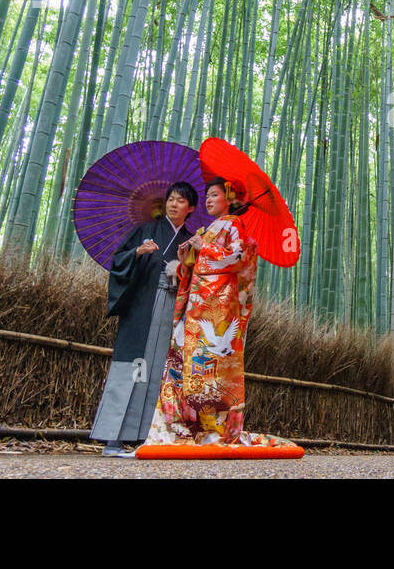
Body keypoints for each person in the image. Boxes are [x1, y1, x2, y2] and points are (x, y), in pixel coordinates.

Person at [140, 177, 293, 449]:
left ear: (229, 199)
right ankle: (178, 425)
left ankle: (209, 429)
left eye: (214, 195)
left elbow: (241, 256)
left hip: (214, 313)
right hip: (195, 310)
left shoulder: (234, 225)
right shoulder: (211, 227)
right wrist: (185, 260)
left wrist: (204, 248)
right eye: (207, 195)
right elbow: (199, 266)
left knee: (209, 371)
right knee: (180, 363)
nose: (208, 200)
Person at [90, 182, 197, 457]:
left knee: (160, 371)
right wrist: (137, 253)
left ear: (191, 209)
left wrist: (182, 269)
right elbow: (118, 261)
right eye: (171, 199)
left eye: (181, 201)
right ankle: (114, 438)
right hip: (143, 308)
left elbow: (200, 281)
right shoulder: (146, 230)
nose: (174, 204)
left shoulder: (190, 241)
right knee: (136, 368)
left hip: (173, 312)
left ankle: (147, 436)